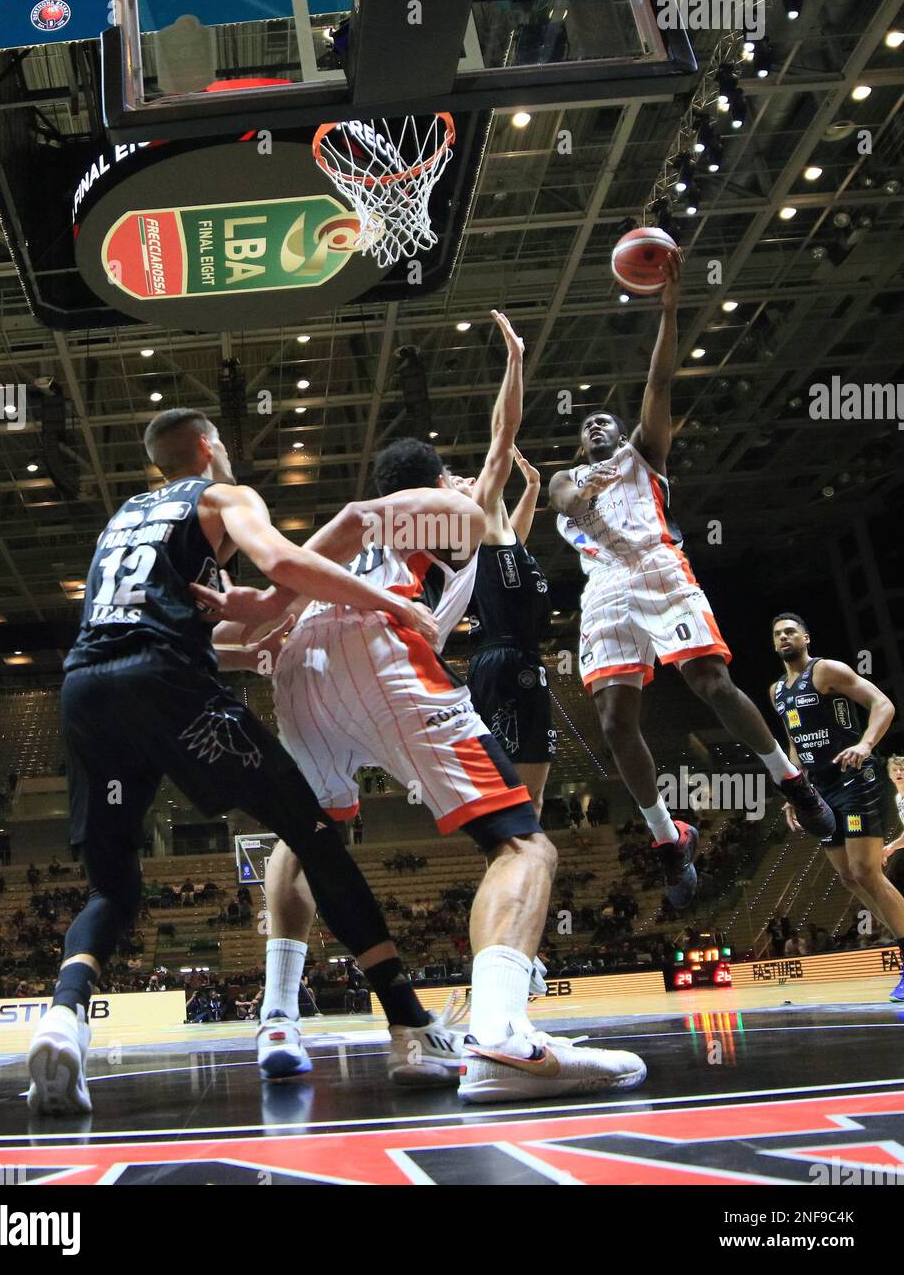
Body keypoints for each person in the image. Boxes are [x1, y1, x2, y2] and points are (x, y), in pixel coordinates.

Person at [25, 407, 458, 1115]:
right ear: (206, 448)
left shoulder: (122, 519)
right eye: (220, 443)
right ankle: (410, 1021)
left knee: (112, 890)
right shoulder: (220, 496)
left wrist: (230, 633)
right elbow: (283, 563)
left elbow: (145, 614)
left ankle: (63, 1018)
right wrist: (392, 603)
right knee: (312, 832)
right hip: (163, 683)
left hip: (84, 691)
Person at [197, 430, 646, 1102]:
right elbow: (408, 494)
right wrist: (513, 373)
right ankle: (498, 1034)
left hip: (301, 668)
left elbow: (234, 643)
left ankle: (281, 1019)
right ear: (437, 481)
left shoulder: (392, 548)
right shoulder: (436, 511)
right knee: (523, 844)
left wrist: (258, 615)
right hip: (381, 652)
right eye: (457, 476)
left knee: (308, 838)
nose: (472, 483)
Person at [549, 251, 835, 910]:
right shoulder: (568, 478)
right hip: (605, 592)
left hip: (657, 568)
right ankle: (666, 836)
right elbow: (564, 497)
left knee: (709, 683)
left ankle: (791, 781)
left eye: (605, 420)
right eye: (585, 423)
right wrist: (578, 493)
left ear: (622, 432)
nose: (596, 424)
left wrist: (670, 312)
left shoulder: (642, 456)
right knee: (615, 721)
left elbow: (659, 383)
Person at [769, 613, 903, 1002]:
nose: (783, 637)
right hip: (819, 790)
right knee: (848, 877)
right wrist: (795, 791)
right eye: (777, 634)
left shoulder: (826, 670)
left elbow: (883, 704)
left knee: (866, 870)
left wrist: (865, 744)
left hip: (854, 779)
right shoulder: (777, 691)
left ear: (806, 637)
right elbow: (794, 741)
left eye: (790, 631)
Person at [462, 313, 556, 823]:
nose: (470, 482)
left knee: (530, 802)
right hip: (504, 662)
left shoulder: (501, 543)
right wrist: (515, 359)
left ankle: (521, 887)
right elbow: (503, 429)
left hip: (516, 660)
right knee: (514, 802)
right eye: (459, 480)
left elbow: (516, 537)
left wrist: (534, 490)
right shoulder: (476, 525)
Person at [883, 755, 904, 895]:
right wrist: (891, 847)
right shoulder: (898, 798)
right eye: (895, 770)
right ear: (890, 776)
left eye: (902, 769)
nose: (898, 773)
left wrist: (892, 846)